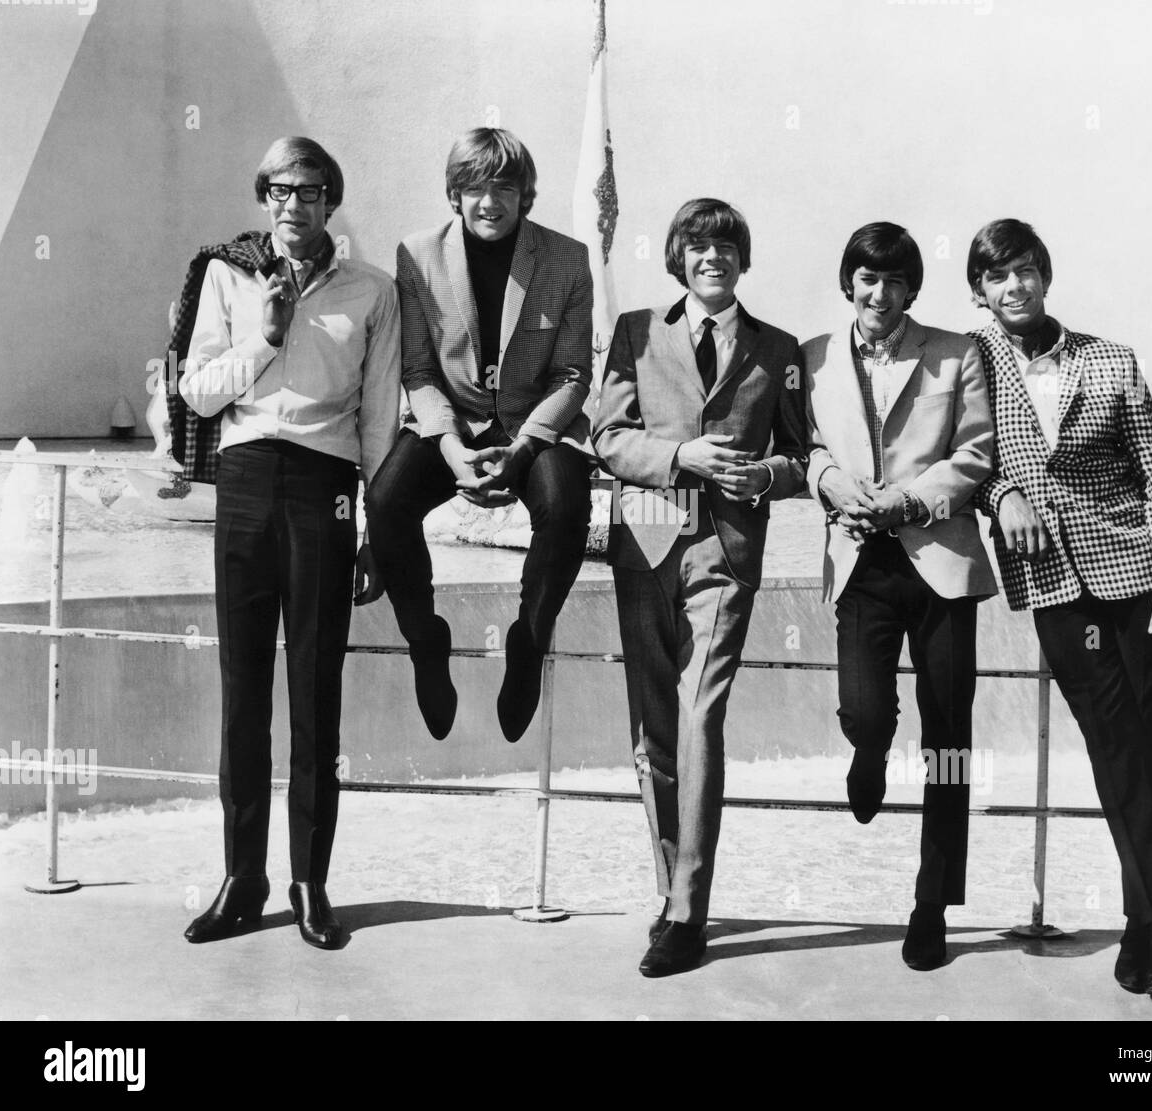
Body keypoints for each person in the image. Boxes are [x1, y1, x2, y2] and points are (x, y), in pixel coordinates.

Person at [967, 218, 1152, 996]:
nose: (1015, 287)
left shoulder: (1111, 360)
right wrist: (1001, 495)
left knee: (1142, 742)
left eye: (1026, 270)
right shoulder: (969, 363)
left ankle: (1145, 928)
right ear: (980, 291)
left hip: (1135, 570)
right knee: (1110, 733)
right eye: (999, 277)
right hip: (1052, 579)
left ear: (1045, 275)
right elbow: (961, 459)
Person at [179, 137, 401, 949]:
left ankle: (311, 880)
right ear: (263, 197)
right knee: (243, 695)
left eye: (309, 191)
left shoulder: (372, 291)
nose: (292, 205)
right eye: (278, 190)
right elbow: (196, 393)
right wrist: (265, 337)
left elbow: (378, 419)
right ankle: (244, 878)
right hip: (243, 487)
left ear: (331, 201)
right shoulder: (226, 275)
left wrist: (376, 524)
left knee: (315, 695)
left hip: (323, 490)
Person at [592, 198, 807, 977]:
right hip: (645, 542)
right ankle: (667, 887)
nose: (712, 258)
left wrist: (766, 473)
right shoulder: (635, 333)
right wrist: (680, 458)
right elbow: (607, 437)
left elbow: (800, 454)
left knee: (699, 713)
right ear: (678, 258)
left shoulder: (778, 346)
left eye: (726, 247)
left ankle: (689, 908)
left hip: (726, 549)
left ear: (742, 261)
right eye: (698, 246)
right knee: (652, 721)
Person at [803, 222, 996, 971]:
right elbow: (808, 447)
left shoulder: (956, 352)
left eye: (892, 281)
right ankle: (869, 749)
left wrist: (912, 503)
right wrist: (829, 483)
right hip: (860, 561)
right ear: (847, 282)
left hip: (940, 561)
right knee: (864, 709)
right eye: (865, 277)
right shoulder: (813, 358)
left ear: (912, 288)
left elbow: (975, 451)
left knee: (947, 737)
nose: (877, 293)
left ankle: (932, 903)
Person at [364, 128, 594, 743]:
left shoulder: (567, 258)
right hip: (453, 421)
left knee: (568, 509)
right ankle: (425, 642)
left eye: (503, 188)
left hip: (534, 424)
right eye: (473, 188)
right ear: (454, 194)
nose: (488, 202)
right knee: (385, 505)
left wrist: (524, 448)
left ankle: (528, 640)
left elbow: (574, 374)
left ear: (525, 195)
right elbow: (416, 370)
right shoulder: (417, 255)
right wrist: (452, 451)